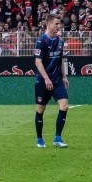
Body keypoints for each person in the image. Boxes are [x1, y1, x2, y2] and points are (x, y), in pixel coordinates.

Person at [34, 16, 70, 148]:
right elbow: (38, 61)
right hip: (43, 81)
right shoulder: (41, 40)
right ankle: (39, 139)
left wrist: (64, 76)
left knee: (64, 105)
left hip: (57, 80)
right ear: (48, 24)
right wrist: (46, 78)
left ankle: (57, 138)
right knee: (40, 108)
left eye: (59, 24)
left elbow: (60, 60)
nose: (58, 26)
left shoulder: (60, 41)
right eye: (55, 24)